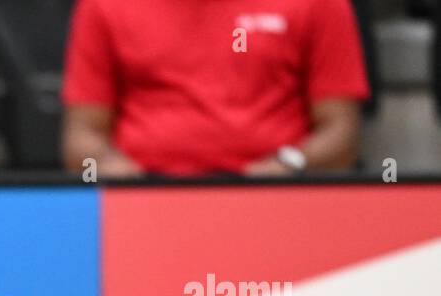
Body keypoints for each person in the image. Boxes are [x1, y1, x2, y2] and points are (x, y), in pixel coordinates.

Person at [61, 0, 369, 178]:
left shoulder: (319, 3)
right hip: (147, 199)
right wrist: (113, 171)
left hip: (277, 197)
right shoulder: (103, 5)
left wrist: (291, 164)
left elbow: (342, 134)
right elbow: (82, 138)